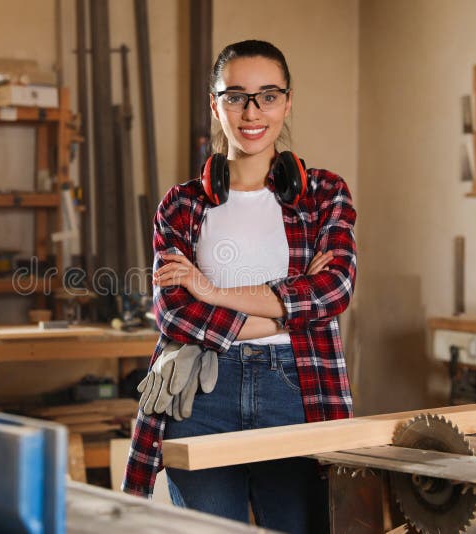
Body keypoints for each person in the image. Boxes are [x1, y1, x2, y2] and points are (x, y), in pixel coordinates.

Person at [122, 39, 356, 534]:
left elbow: (333, 290)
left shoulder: (324, 194)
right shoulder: (181, 204)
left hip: (296, 390)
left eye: (268, 96)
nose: (253, 112)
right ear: (216, 104)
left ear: (288, 102)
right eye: (236, 96)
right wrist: (288, 313)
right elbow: (175, 315)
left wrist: (210, 290)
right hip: (204, 392)